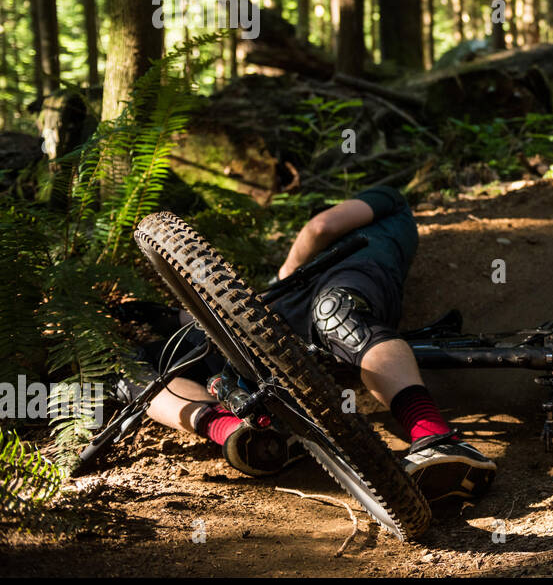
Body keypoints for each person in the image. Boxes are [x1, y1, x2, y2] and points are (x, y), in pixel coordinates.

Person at [138, 186, 496, 504]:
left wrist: (284, 275)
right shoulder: (387, 225)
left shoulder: (390, 198)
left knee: (141, 367)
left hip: (337, 276)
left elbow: (320, 227)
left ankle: (232, 430)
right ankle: (432, 440)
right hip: (326, 292)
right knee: (336, 314)